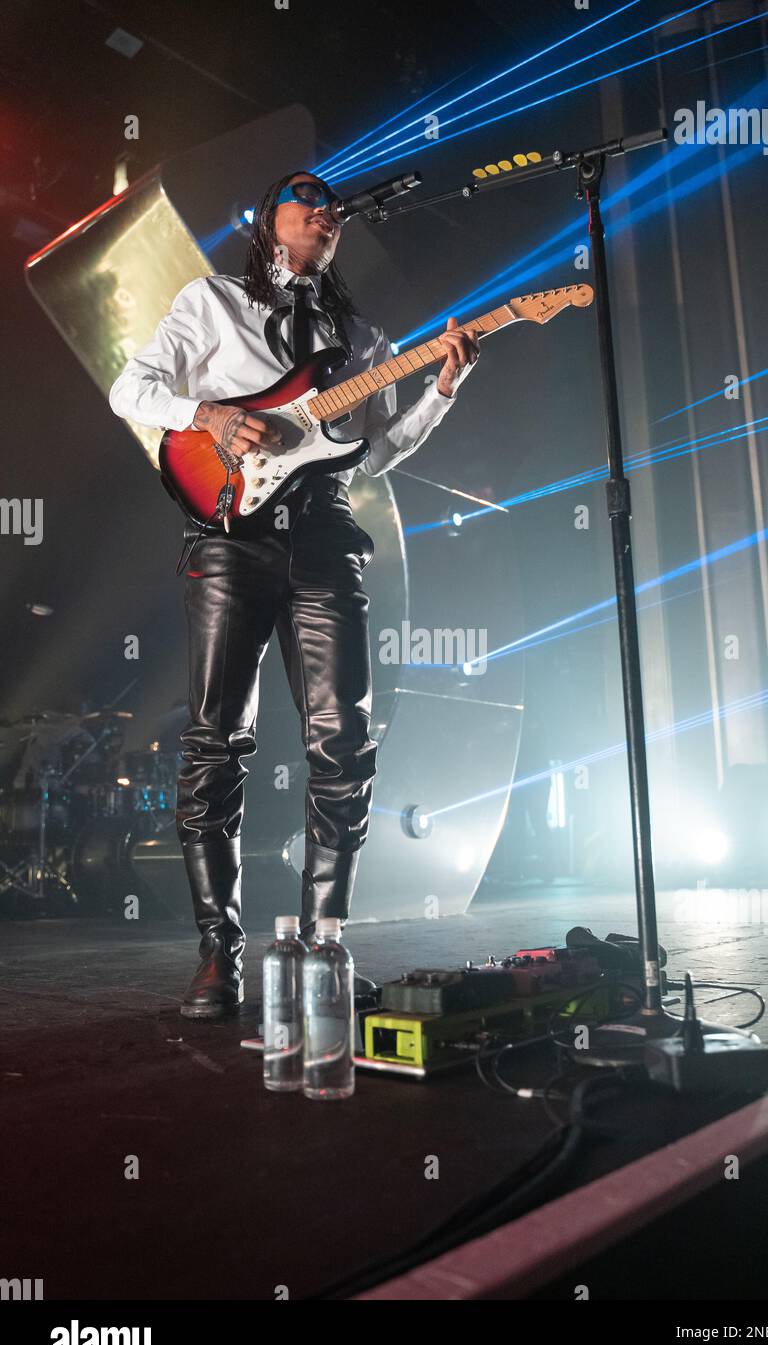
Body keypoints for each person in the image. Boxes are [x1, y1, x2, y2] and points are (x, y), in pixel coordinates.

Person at [109, 170, 479, 1019]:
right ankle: (217, 955)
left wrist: (444, 387)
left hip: (323, 536)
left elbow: (375, 453)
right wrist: (206, 418)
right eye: (305, 198)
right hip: (230, 537)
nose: (325, 210)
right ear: (269, 220)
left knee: (343, 742)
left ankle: (324, 946)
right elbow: (132, 389)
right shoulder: (211, 304)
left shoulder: (363, 335)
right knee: (215, 741)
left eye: (332, 205)